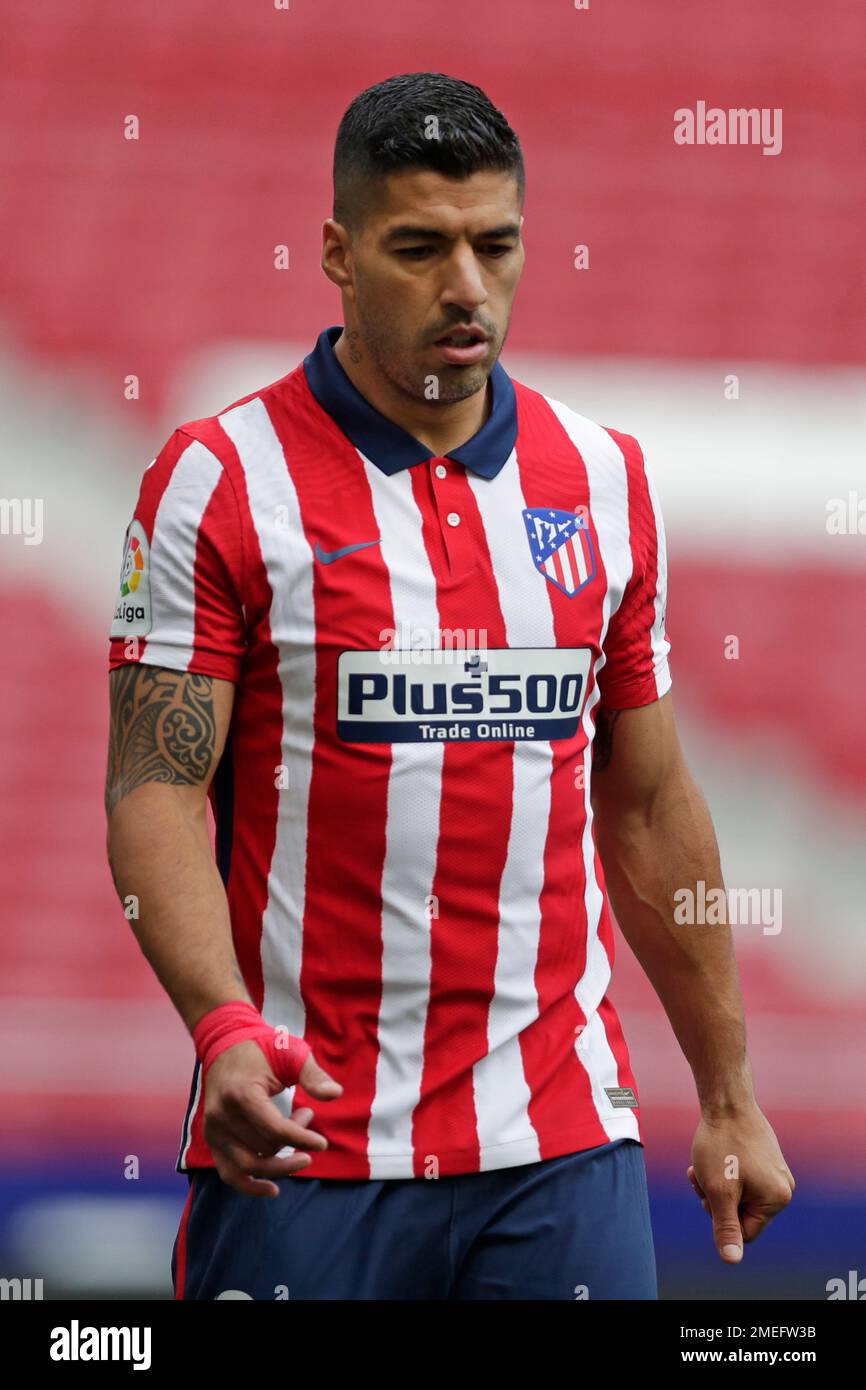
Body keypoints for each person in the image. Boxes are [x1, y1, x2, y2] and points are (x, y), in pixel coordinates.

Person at [104, 71, 794, 1301]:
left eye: (494, 244)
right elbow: (156, 792)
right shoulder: (219, 480)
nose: (464, 287)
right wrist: (221, 1029)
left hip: (556, 1143)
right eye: (418, 247)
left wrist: (729, 1093)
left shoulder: (600, 479)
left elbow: (644, 807)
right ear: (337, 249)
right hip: (308, 1144)